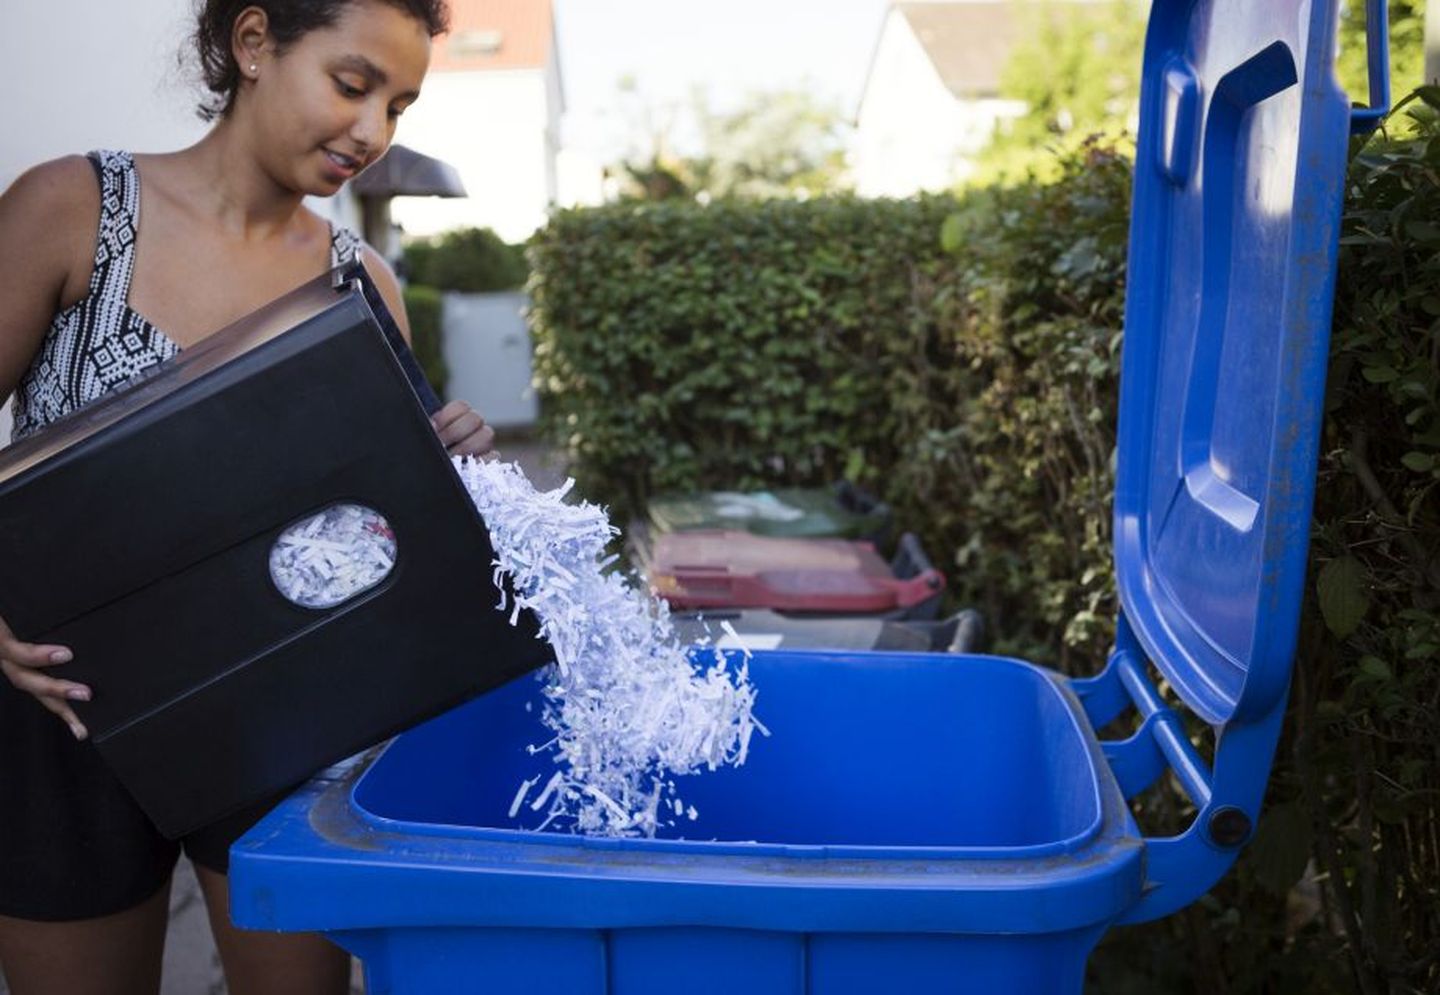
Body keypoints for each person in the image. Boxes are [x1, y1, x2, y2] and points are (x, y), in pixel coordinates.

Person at [0, 2, 484, 992]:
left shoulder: (364, 286)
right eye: (353, 85)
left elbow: (375, 537)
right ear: (253, 44)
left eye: (399, 103)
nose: (374, 131)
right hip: (63, 722)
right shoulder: (76, 209)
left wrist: (449, 470)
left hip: (287, 724)